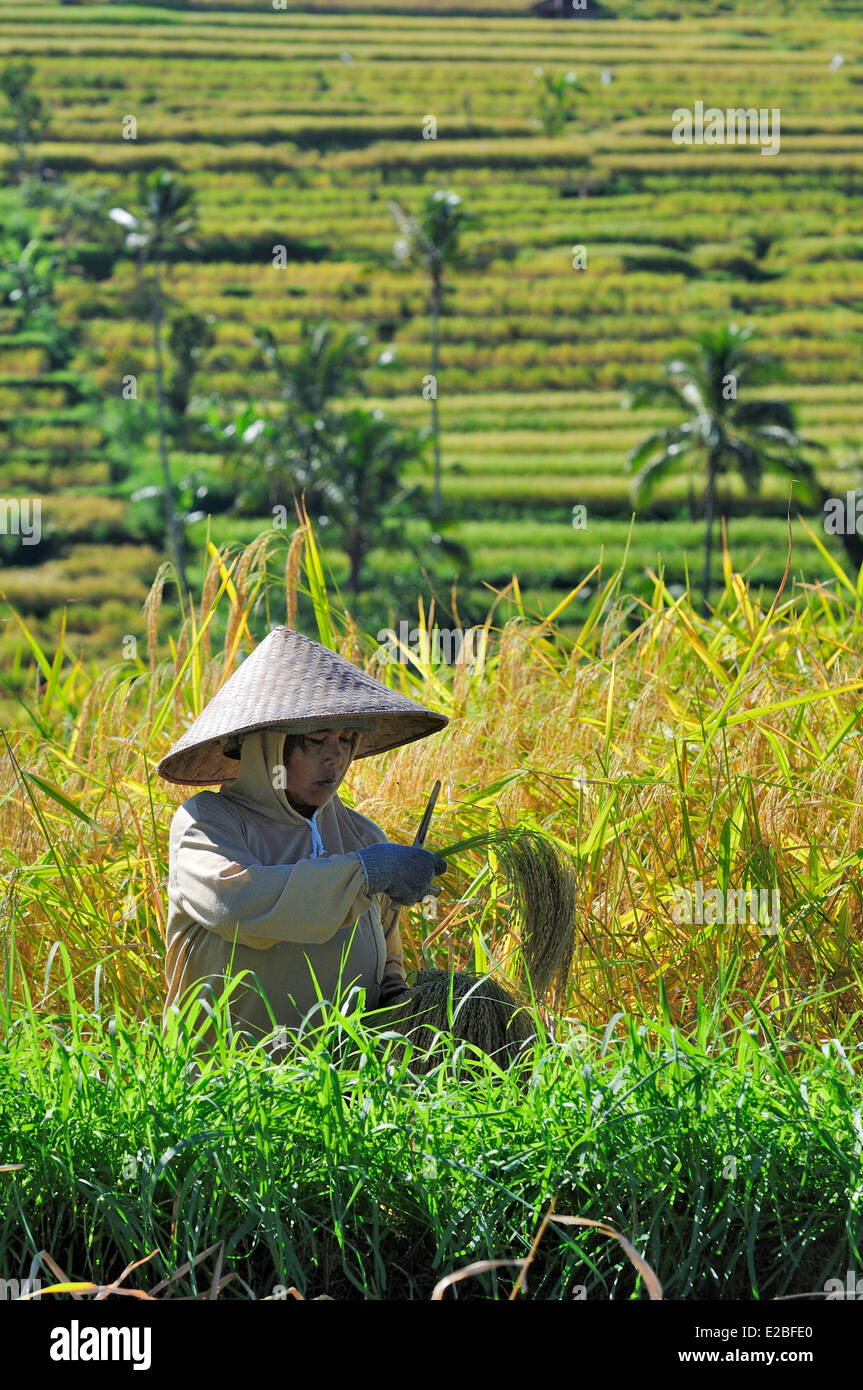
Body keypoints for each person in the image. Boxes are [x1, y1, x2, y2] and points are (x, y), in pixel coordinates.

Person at [157, 625, 449, 1049]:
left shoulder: (362, 836)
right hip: (224, 1089)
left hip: (344, 1090)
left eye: (348, 739)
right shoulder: (207, 824)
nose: (336, 757)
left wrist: (402, 1006)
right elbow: (239, 905)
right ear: (267, 749)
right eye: (316, 740)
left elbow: (388, 960)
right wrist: (366, 874)